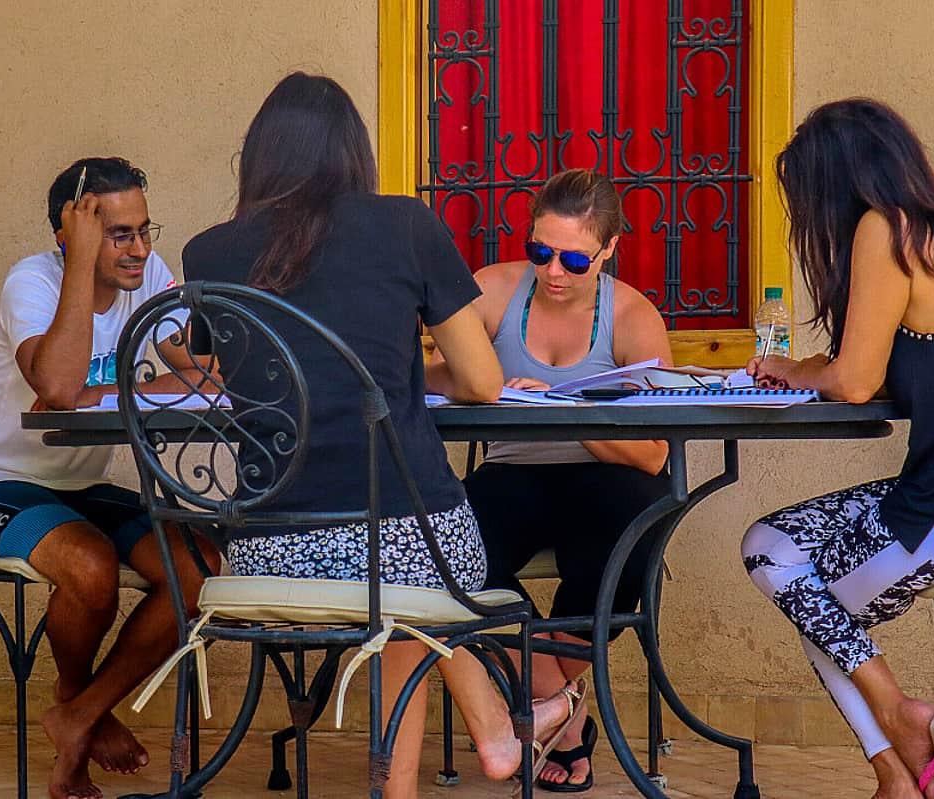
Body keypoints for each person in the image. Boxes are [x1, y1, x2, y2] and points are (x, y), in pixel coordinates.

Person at [182, 72, 584, 798]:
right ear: (353, 152)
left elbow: (232, 365)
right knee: (411, 562)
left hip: (262, 546)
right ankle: (484, 737)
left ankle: (490, 733)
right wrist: (407, 367)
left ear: (258, 157)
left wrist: (381, 371)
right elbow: (485, 382)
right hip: (397, 541)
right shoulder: (406, 225)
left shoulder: (207, 253)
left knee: (403, 572)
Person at [0, 157, 218, 799]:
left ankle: (79, 713)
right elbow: (58, 386)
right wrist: (77, 263)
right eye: (120, 234)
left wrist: (127, 385)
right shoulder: (31, 283)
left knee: (199, 571)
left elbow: (206, 374)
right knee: (90, 568)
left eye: (146, 230)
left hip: (74, 491)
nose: (141, 249)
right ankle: (74, 699)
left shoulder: (147, 278)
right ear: (71, 232)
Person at [741, 98, 934, 799]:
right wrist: (809, 367)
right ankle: (898, 763)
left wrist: (799, 371)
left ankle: (904, 727)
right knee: (776, 547)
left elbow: (855, 383)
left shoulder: (886, 231)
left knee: (794, 579)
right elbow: (882, 367)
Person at [435, 168, 673, 791]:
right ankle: (565, 710)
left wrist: (569, 417)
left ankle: (546, 701)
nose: (554, 272)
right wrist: (481, 380)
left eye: (573, 258)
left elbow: (653, 456)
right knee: (441, 544)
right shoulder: (492, 290)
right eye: (540, 251)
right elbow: (418, 373)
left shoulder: (630, 314)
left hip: (607, 473)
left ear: (609, 249)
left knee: (634, 524)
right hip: (514, 471)